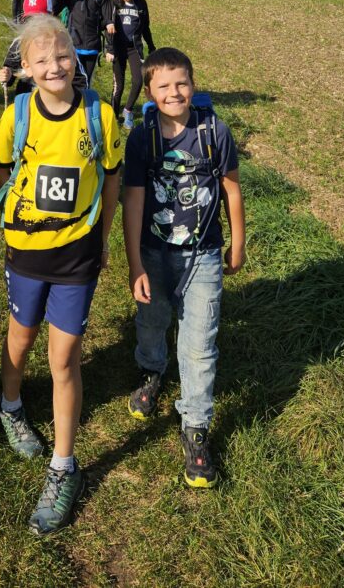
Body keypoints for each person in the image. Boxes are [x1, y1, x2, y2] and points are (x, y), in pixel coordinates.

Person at [0, 16, 121, 535]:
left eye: (62, 56)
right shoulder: (16, 116)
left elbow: (111, 180)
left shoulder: (101, 115)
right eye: (41, 61)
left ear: (77, 57)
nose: (54, 67)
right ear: (25, 69)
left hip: (77, 257)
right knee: (20, 341)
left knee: (63, 356)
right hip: (26, 252)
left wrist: (103, 236)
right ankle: (11, 405)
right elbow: (2, 169)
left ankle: (63, 468)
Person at [122, 47, 246, 488]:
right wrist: (134, 261)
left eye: (182, 83)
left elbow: (231, 190)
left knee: (200, 343)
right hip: (153, 254)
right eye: (164, 86)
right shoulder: (142, 139)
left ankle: (195, 424)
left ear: (193, 84)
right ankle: (152, 372)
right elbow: (132, 200)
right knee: (152, 320)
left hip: (205, 256)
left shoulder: (215, 131)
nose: (174, 92)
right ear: (150, 92)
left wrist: (238, 243)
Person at [0, 0, 88, 97]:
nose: (36, 24)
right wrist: (6, 75)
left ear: (51, 16)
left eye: (41, 19)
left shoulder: (61, 43)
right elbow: (10, 69)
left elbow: (80, 79)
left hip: (58, 101)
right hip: (28, 100)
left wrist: (75, 101)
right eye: (30, 19)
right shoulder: (20, 42)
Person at [52, 0, 115, 85]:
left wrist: (110, 46)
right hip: (73, 45)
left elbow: (108, 20)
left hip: (92, 46)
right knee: (70, 81)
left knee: (85, 82)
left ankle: (84, 104)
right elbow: (53, 10)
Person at [109, 0, 156, 129]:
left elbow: (145, 28)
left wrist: (151, 45)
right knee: (119, 85)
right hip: (118, 48)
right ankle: (113, 114)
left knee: (138, 80)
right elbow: (108, 27)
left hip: (134, 49)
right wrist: (109, 48)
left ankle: (127, 110)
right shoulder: (115, 2)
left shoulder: (141, 5)